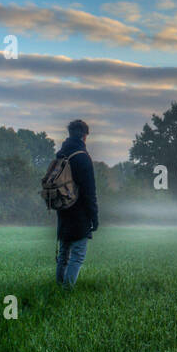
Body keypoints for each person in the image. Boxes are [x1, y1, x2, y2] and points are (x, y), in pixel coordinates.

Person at [54, 119, 99, 288]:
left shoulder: (61, 154)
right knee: (78, 254)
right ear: (84, 136)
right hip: (79, 212)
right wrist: (94, 217)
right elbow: (90, 192)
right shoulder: (82, 157)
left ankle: (59, 285)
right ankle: (67, 289)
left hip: (63, 209)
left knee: (64, 250)